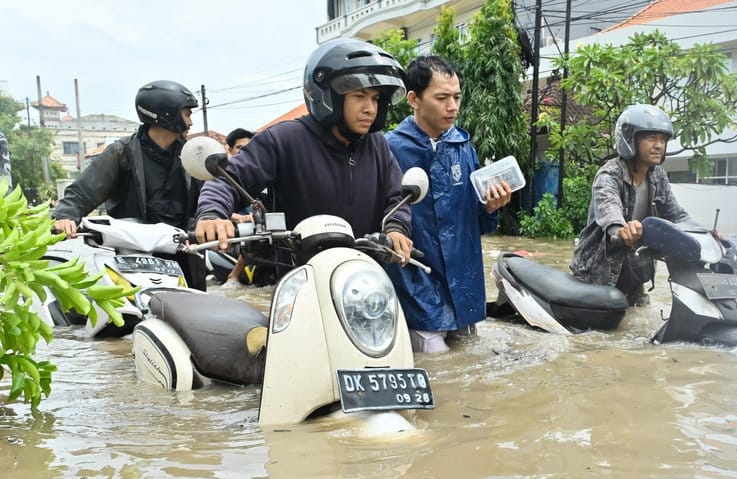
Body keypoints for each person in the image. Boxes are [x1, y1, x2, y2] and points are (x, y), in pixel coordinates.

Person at [192, 38, 414, 269]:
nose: (370, 108)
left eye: (376, 98)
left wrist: (396, 228)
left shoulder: (376, 144)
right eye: (359, 96)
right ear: (328, 96)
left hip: (362, 276)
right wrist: (212, 214)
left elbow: (396, 195)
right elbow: (230, 179)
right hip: (299, 278)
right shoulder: (284, 139)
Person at [384, 55, 512, 353]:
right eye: (442, 98)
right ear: (414, 99)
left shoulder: (464, 147)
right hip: (415, 273)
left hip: (462, 276)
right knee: (435, 354)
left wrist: (492, 206)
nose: (452, 106)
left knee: (469, 353)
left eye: (456, 97)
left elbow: (477, 219)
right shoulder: (390, 149)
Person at [50, 80, 207, 290]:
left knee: (194, 315)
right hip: (135, 258)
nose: (190, 123)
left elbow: (210, 196)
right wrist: (65, 216)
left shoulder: (192, 155)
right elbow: (83, 192)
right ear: (167, 114)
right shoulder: (121, 153)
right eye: (187, 114)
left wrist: (224, 215)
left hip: (185, 253)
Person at [570, 104, 692, 306]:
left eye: (663, 139)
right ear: (630, 140)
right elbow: (609, 211)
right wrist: (622, 228)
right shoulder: (609, 175)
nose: (659, 145)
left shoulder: (658, 176)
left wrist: (703, 233)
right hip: (597, 276)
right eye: (651, 138)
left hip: (635, 274)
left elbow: (677, 216)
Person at [222, 127, 256, 287]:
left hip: (259, 226)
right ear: (229, 149)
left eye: (249, 148)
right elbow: (217, 209)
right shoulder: (223, 177)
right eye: (240, 148)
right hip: (237, 232)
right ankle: (233, 275)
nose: (245, 153)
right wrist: (239, 217)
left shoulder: (260, 174)